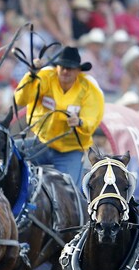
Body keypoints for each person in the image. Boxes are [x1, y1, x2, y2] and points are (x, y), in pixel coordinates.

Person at [14, 46, 104, 189]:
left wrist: (80, 122)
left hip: (71, 150)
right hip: (41, 143)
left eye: (70, 68)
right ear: (57, 67)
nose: (65, 71)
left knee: (70, 191)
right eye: (62, 67)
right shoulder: (44, 77)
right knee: (8, 150)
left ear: (78, 71)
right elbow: (21, 99)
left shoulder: (89, 89)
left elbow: (91, 119)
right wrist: (31, 75)